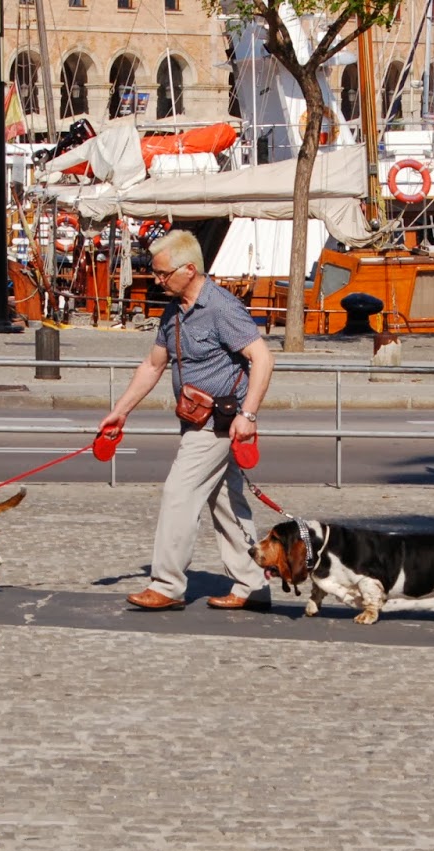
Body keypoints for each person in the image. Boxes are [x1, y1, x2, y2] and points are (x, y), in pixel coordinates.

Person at [97, 229, 276, 612]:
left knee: (178, 494)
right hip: (195, 419)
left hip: (219, 423)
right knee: (226, 503)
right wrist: (121, 410)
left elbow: (263, 358)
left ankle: (167, 585)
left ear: (189, 269)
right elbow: (153, 365)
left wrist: (249, 415)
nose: (157, 280)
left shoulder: (221, 308)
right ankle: (253, 583)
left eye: (162, 274)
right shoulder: (174, 310)